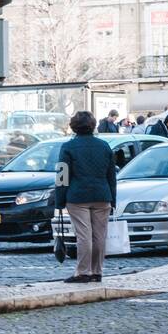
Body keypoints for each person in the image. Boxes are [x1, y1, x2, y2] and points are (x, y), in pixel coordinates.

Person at [55, 111, 117, 284]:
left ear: (74, 127)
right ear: (93, 125)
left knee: (84, 236)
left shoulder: (68, 147)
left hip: (77, 197)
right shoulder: (104, 146)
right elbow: (111, 176)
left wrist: (59, 200)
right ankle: (97, 272)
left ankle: (83, 272)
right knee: (99, 236)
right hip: (102, 195)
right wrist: (113, 199)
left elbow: (62, 176)